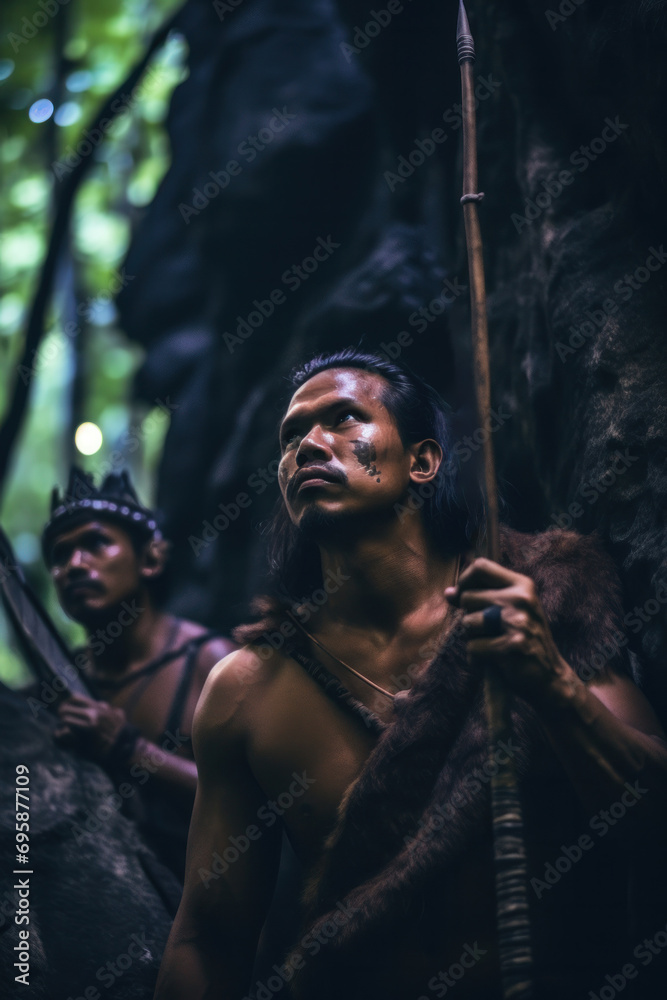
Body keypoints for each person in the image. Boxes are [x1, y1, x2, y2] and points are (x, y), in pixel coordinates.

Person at [154, 349, 667, 999]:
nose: (308, 444)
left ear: (422, 461)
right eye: (290, 436)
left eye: (343, 419)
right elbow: (209, 939)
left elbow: (654, 823)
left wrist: (550, 684)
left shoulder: (540, 595)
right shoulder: (245, 691)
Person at [41, 466, 235, 878]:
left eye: (96, 544)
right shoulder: (55, 685)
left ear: (150, 558)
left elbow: (257, 797)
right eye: (59, 555)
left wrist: (132, 751)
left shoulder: (213, 662)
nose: (74, 565)